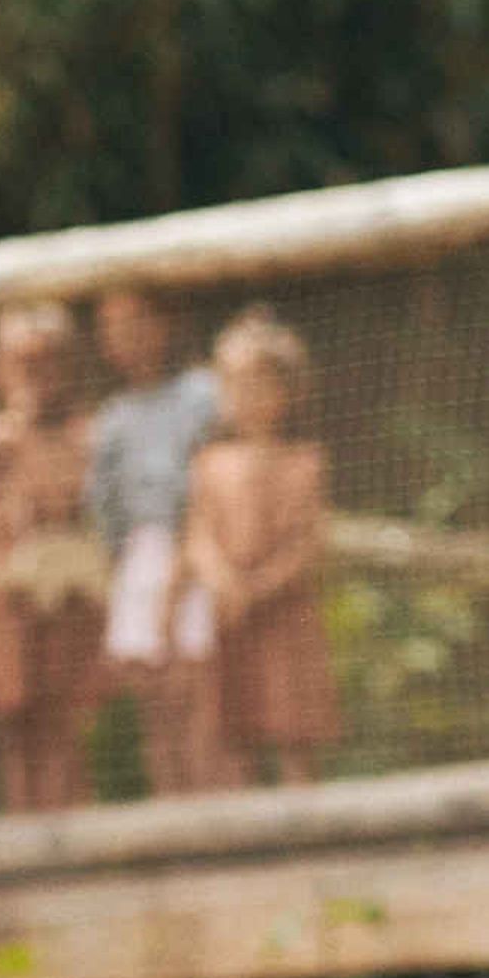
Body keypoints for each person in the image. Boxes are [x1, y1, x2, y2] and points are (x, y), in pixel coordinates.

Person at [0, 303, 103, 812]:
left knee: (64, 725)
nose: (35, 375)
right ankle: (24, 829)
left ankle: (73, 827)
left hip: (66, 602)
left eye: (48, 361)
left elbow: (98, 515)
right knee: (14, 726)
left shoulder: (85, 434)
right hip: (5, 606)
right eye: (21, 363)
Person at [182, 308, 345, 785]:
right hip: (229, 620)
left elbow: (307, 542)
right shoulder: (209, 463)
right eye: (233, 385)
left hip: (284, 616)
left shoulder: (305, 462)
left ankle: (305, 815)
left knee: (294, 729)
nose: (245, 397)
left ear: (288, 391)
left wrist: (259, 588)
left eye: (258, 385)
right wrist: (222, 580)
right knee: (234, 736)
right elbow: (198, 536)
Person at [86, 286, 229, 796]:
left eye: (137, 323)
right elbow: (104, 506)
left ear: (167, 322)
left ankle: (215, 813)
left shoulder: (204, 395)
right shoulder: (113, 416)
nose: (126, 338)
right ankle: (172, 815)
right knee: (154, 698)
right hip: (137, 561)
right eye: (113, 328)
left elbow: (212, 479)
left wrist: (185, 562)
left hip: (196, 549)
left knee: (198, 692)